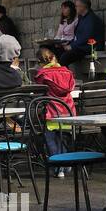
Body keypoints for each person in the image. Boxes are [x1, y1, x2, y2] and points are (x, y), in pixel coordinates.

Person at [33, 44, 76, 174]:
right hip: (68, 111)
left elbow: (38, 93)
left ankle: (58, 167)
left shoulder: (42, 75)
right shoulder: (67, 72)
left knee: (50, 138)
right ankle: (66, 163)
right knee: (63, 138)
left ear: (40, 62)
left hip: (51, 112)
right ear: (54, 58)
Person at [59, 0, 106, 66]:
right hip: (81, 46)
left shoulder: (91, 19)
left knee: (65, 57)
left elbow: (86, 37)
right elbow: (77, 35)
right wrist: (68, 45)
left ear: (83, 7)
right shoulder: (82, 18)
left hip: (89, 48)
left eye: (76, 6)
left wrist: (72, 46)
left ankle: (65, 76)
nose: (75, 8)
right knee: (57, 51)